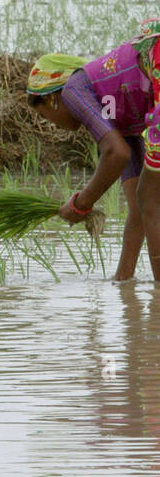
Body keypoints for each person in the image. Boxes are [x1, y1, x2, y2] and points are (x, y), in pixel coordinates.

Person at [26, 23, 160, 282]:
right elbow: (137, 209)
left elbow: (115, 153)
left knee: (152, 198)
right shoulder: (122, 115)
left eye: (46, 116)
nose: (53, 124)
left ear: (52, 99)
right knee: (146, 199)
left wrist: (81, 203)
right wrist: (122, 281)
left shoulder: (74, 89)